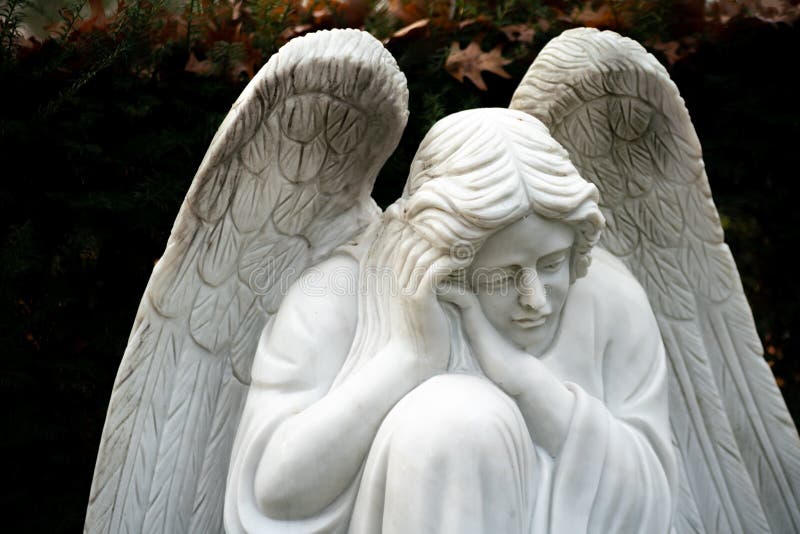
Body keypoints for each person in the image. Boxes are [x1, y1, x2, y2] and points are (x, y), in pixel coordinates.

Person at [224, 108, 677, 533]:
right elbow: (278, 493)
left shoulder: (610, 301)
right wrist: (410, 359)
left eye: (553, 264)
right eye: (503, 276)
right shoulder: (335, 299)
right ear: (444, 264)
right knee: (453, 417)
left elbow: (652, 503)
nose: (535, 299)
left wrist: (526, 381)